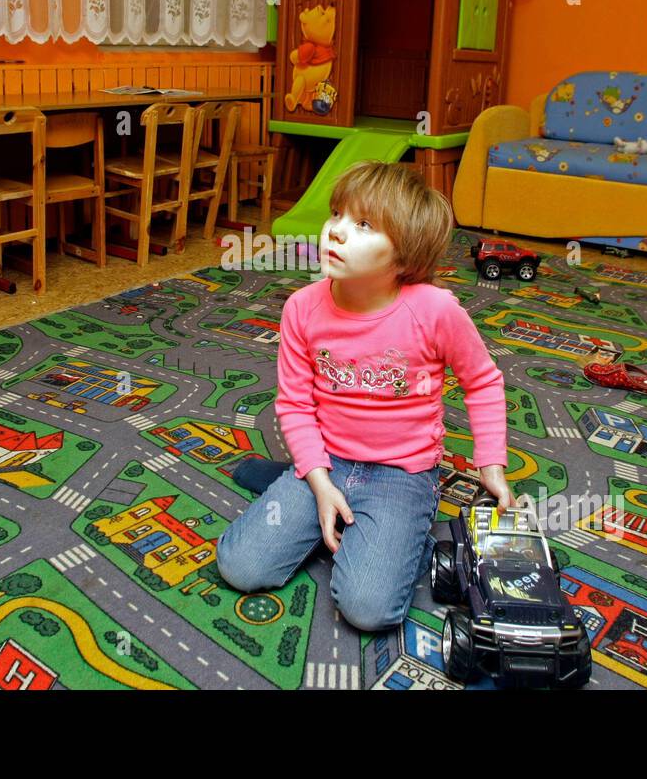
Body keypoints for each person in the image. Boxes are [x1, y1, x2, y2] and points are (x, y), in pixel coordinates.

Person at [215, 161, 513, 632]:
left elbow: (483, 381)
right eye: (336, 215)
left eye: (363, 225)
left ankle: (345, 517)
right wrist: (317, 479)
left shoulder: (435, 311)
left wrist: (491, 464)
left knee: (369, 610)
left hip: (402, 475)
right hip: (328, 459)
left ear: (404, 256)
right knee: (240, 567)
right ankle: (307, 495)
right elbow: (293, 403)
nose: (335, 232)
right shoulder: (301, 308)